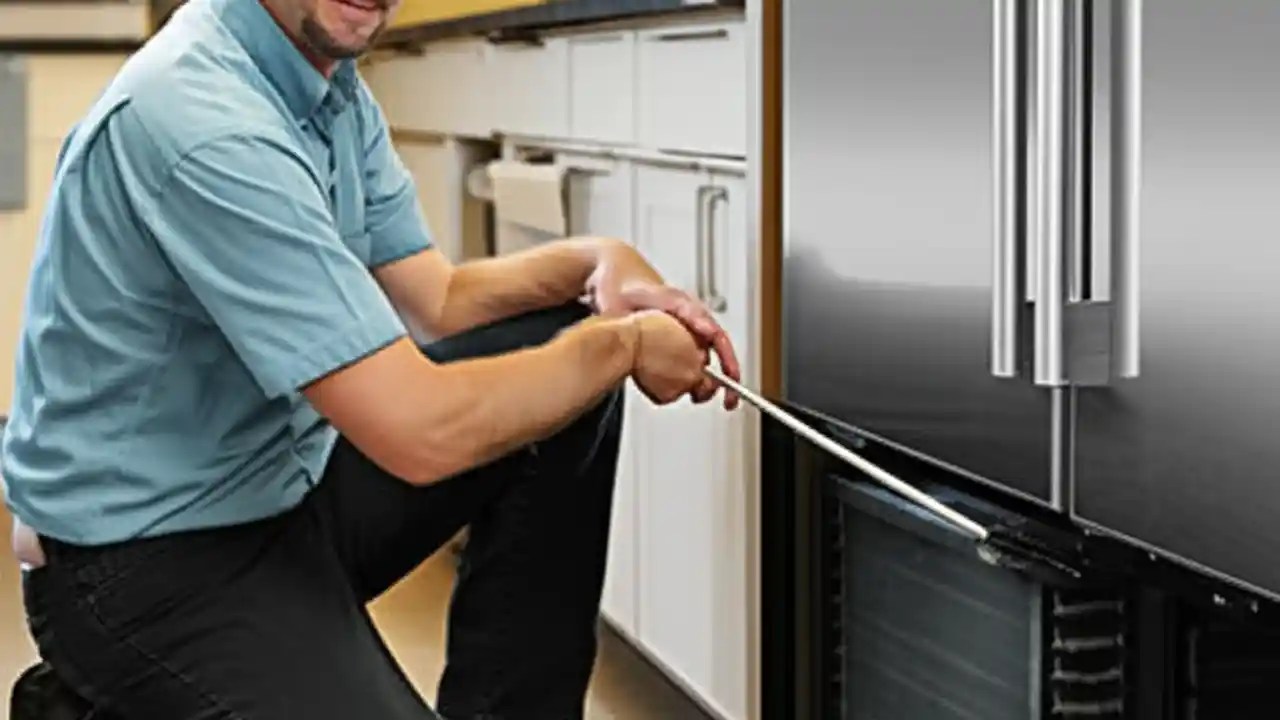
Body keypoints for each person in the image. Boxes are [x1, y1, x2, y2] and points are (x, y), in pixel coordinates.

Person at [0, 0, 742, 717]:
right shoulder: (202, 120)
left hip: (277, 490)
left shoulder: (325, 85)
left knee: (562, 344)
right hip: (141, 564)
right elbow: (421, 433)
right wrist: (626, 344)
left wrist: (595, 262)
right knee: (588, 355)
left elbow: (440, 296)